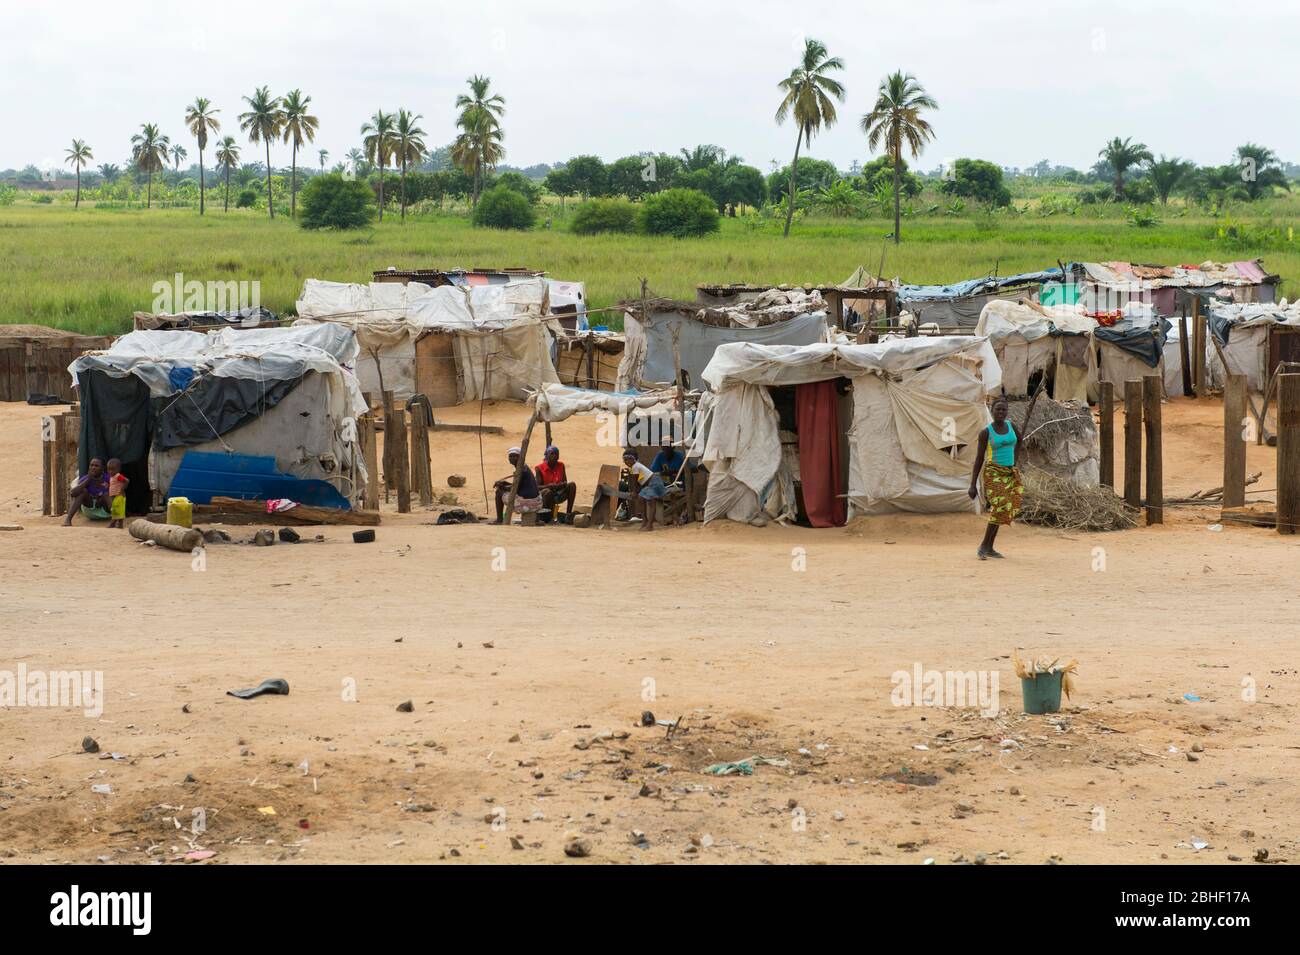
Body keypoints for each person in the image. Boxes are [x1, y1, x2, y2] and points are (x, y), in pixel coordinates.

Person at [968, 396, 1024, 560]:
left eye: (1003, 409)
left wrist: (1015, 460)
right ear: (991, 411)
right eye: (997, 409)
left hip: (1009, 472)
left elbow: (1019, 440)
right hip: (993, 472)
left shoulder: (1011, 426)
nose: (1001, 412)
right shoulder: (986, 432)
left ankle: (989, 547)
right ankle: (984, 546)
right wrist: (972, 485)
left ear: (1007, 412)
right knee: (1000, 506)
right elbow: (979, 458)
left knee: (1005, 507)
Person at [493, 447, 543, 524]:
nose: (512, 458)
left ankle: (499, 519)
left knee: (499, 492)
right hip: (535, 502)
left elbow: (514, 489)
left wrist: (502, 486)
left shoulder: (522, 470)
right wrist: (504, 483)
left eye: (514, 456)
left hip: (529, 504)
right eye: (510, 456)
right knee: (502, 489)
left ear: (520, 458)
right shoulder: (523, 467)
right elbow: (519, 485)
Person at [622, 449, 665, 532]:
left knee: (650, 500)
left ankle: (649, 525)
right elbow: (639, 482)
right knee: (641, 498)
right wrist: (636, 492)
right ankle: (645, 521)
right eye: (625, 460)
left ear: (634, 459)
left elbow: (635, 482)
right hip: (651, 484)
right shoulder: (633, 468)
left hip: (655, 483)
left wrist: (634, 492)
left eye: (628, 459)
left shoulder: (635, 466)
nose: (627, 462)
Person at [535, 446, 577, 524]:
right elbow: (537, 487)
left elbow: (565, 481)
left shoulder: (561, 465)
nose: (554, 456)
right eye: (551, 454)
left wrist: (561, 484)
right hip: (546, 495)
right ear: (546, 456)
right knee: (548, 491)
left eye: (556, 454)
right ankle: (549, 516)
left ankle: (568, 514)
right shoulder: (539, 468)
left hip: (558, 492)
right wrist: (549, 486)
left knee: (572, 485)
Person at [63, 457, 110, 526]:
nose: (93, 467)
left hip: (104, 510)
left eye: (96, 466)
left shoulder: (108, 478)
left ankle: (116, 520)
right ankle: (68, 520)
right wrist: (88, 480)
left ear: (103, 468)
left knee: (106, 494)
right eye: (91, 465)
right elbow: (72, 494)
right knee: (83, 491)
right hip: (89, 509)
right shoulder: (85, 478)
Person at [106, 458, 129, 528]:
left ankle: (112, 524)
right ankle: (120, 524)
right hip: (115, 496)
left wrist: (122, 489)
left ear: (118, 469)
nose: (110, 471)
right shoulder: (112, 477)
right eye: (109, 469)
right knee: (119, 510)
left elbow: (127, 481)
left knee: (116, 510)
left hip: (119, 496)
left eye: (113, 469)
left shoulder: (118, 476)